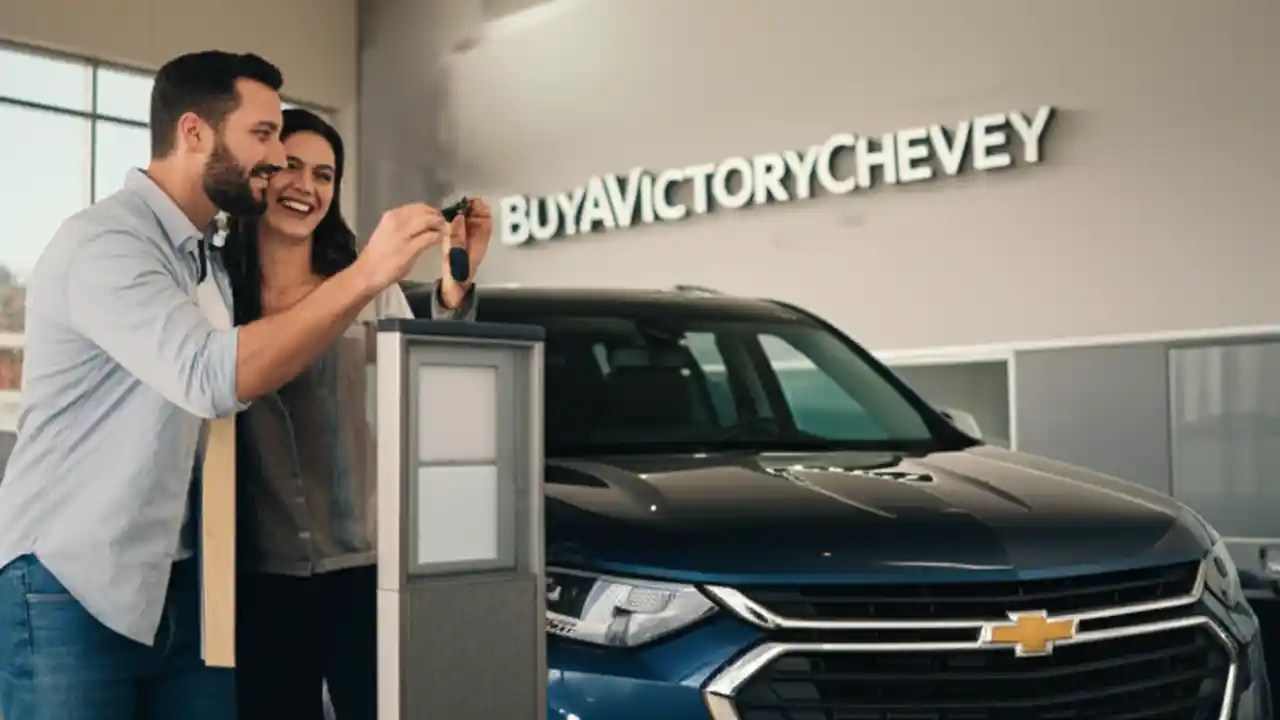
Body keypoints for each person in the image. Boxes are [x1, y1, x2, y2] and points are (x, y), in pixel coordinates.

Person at [0, 50, 454, 719]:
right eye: (263, 136)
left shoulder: (204, 262)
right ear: (194, 132)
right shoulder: (108, 244)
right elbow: (209, 375)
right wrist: (366, 274)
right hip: (73, 585)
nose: (275, 161)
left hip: (188, 586)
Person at [220, 108, 490, 719]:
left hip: (366, 569)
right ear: (259, 173)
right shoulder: (215, 292)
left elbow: (438, 387)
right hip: (253, 576)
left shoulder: (369, 288)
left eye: (324, 175)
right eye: (290, 167)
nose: (306, 187)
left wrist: (455, 290)